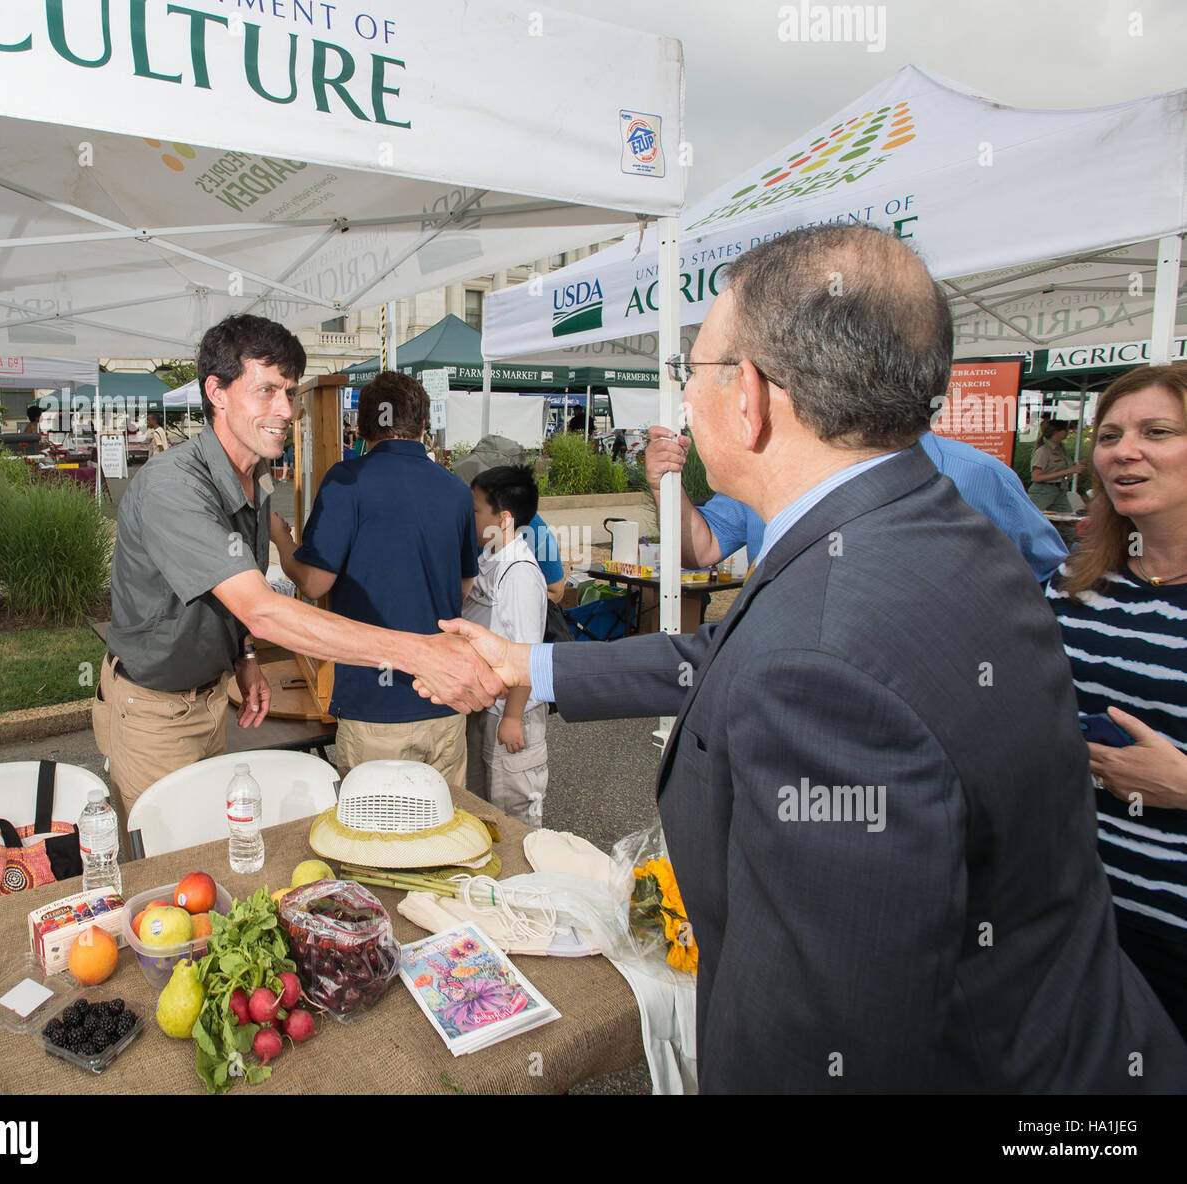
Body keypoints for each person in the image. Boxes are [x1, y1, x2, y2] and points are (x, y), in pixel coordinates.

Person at [437, 224, 1187, 1091]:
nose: (685, 401)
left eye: (696, 373)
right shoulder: (929, 523)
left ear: (749, 398)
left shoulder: (828, 667)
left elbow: (820, 1039)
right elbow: (730, 646)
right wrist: (536, 667)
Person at [94, 317, 500, 845]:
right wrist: (420, 652)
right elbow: (262, 608)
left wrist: (243, 659)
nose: (285, 410)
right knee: (175, 869)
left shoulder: (258, 478)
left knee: (220, 852)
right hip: (152, 709)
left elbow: (253, 596)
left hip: (212, 700)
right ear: (215, 392)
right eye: (266, 390)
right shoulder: (174, 485)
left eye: (287, 392)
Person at [1045, 362, 1187, 1038]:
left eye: (1157, 431)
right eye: (1109, 435)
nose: (1125, 450)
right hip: (1082, 919)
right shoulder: (1075, 584)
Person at [271, 370, 478, 794]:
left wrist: (282, 541)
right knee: (444, 838)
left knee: (377, 846)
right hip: (446, 699)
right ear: (424, 425)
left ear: (362, 428)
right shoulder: (456, 490)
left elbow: (313, 583)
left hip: (375, 708)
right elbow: (464, 588)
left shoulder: (346, 481)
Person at [645, 426, 1069, 583]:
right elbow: (698, 551)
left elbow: (1052, 583)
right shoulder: (767, 469)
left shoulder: (977, 475)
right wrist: (668, 488)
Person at [462, 465, 549, 826]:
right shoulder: (490, 560)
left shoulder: (521, 573)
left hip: (512, 714)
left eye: (477, 509)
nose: (471, 515)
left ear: (504, 518)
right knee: (483, 808)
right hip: (489, 707)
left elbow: (529, 654)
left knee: (512, 812)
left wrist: (513, 716)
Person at [1028, 418, 1085, 513]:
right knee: (1031, 517)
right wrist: (1068, 471)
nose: (1067, 432)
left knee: (1066, 521)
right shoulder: (1043, 451)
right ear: (1056, 432)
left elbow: (1066, 466)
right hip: (1043, 490)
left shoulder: (1060, 449)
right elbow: (1036, 477)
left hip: (1059, 489)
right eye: (1065, 430)